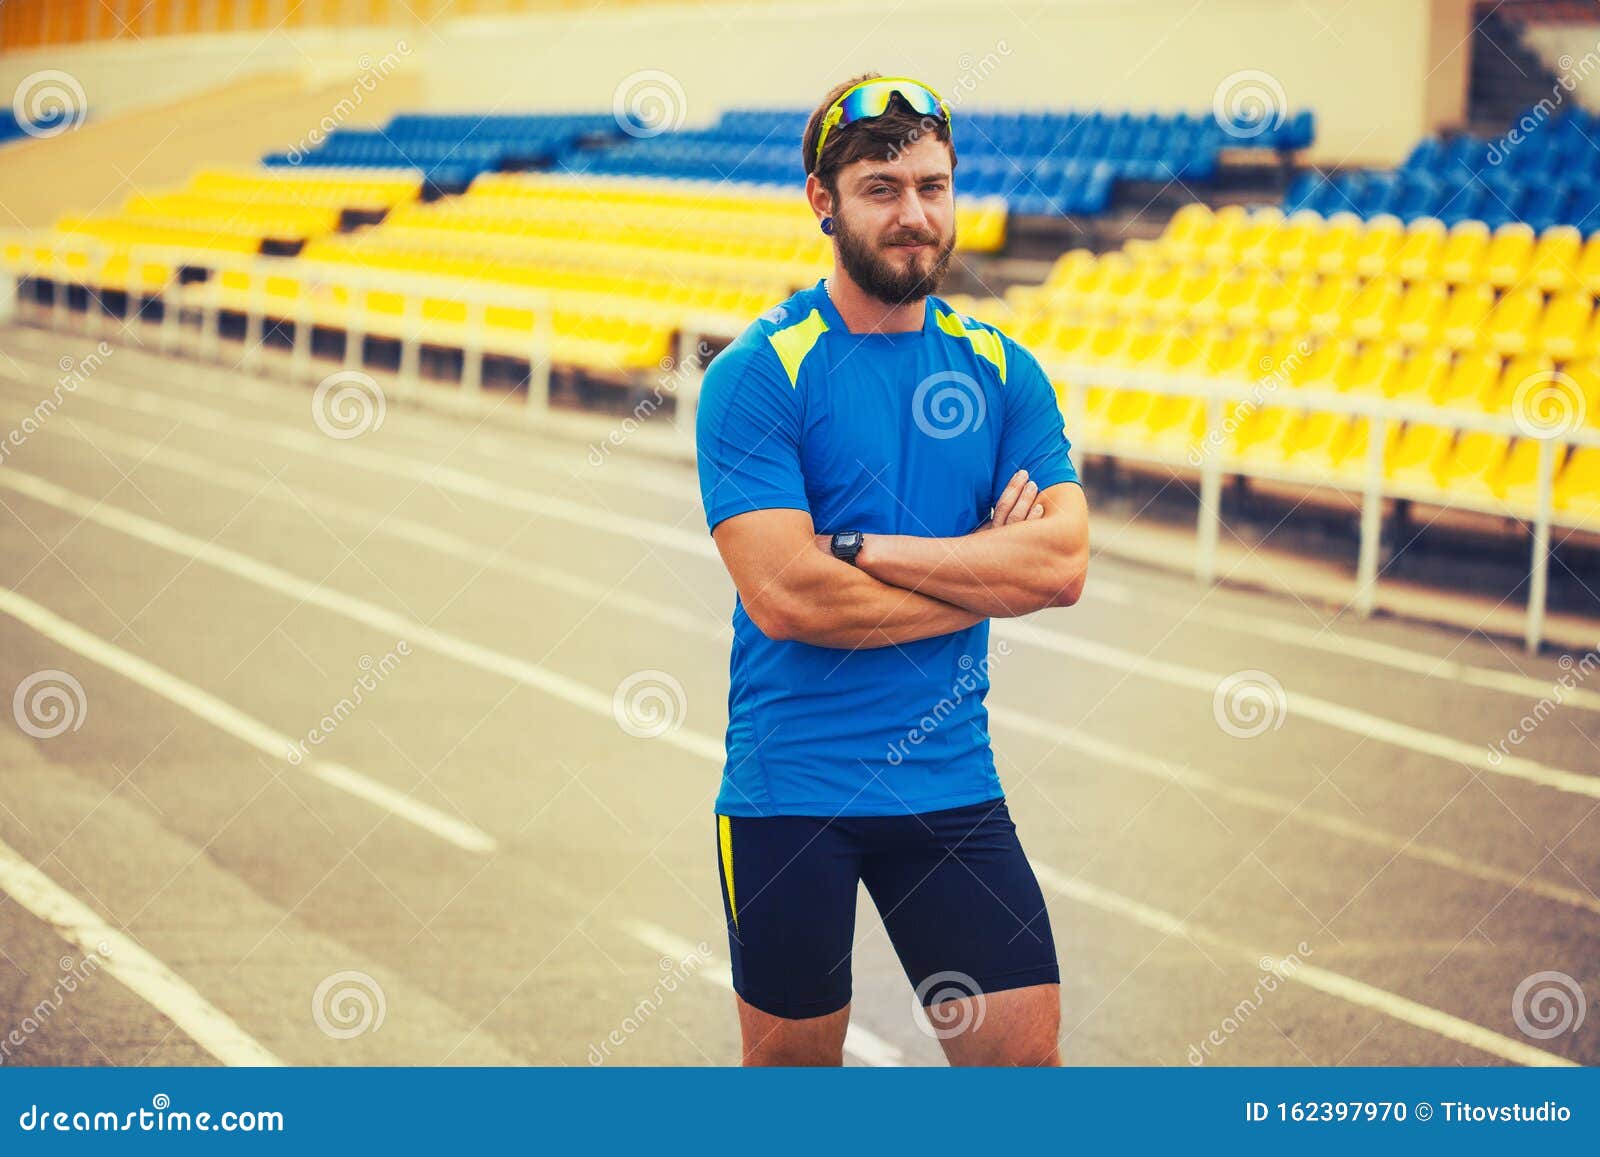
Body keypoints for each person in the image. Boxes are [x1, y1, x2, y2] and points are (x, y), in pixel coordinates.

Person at [694, 72, 1089, 1066]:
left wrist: (867, 548)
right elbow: (787, 593)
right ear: (822, 201)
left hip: (951, 786)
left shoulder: (1000, 369)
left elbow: (1059, 564)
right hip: (794, 795)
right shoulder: (758, 371)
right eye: (880, 187)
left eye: (931, 185)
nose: (914, 214)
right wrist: (980, 572)